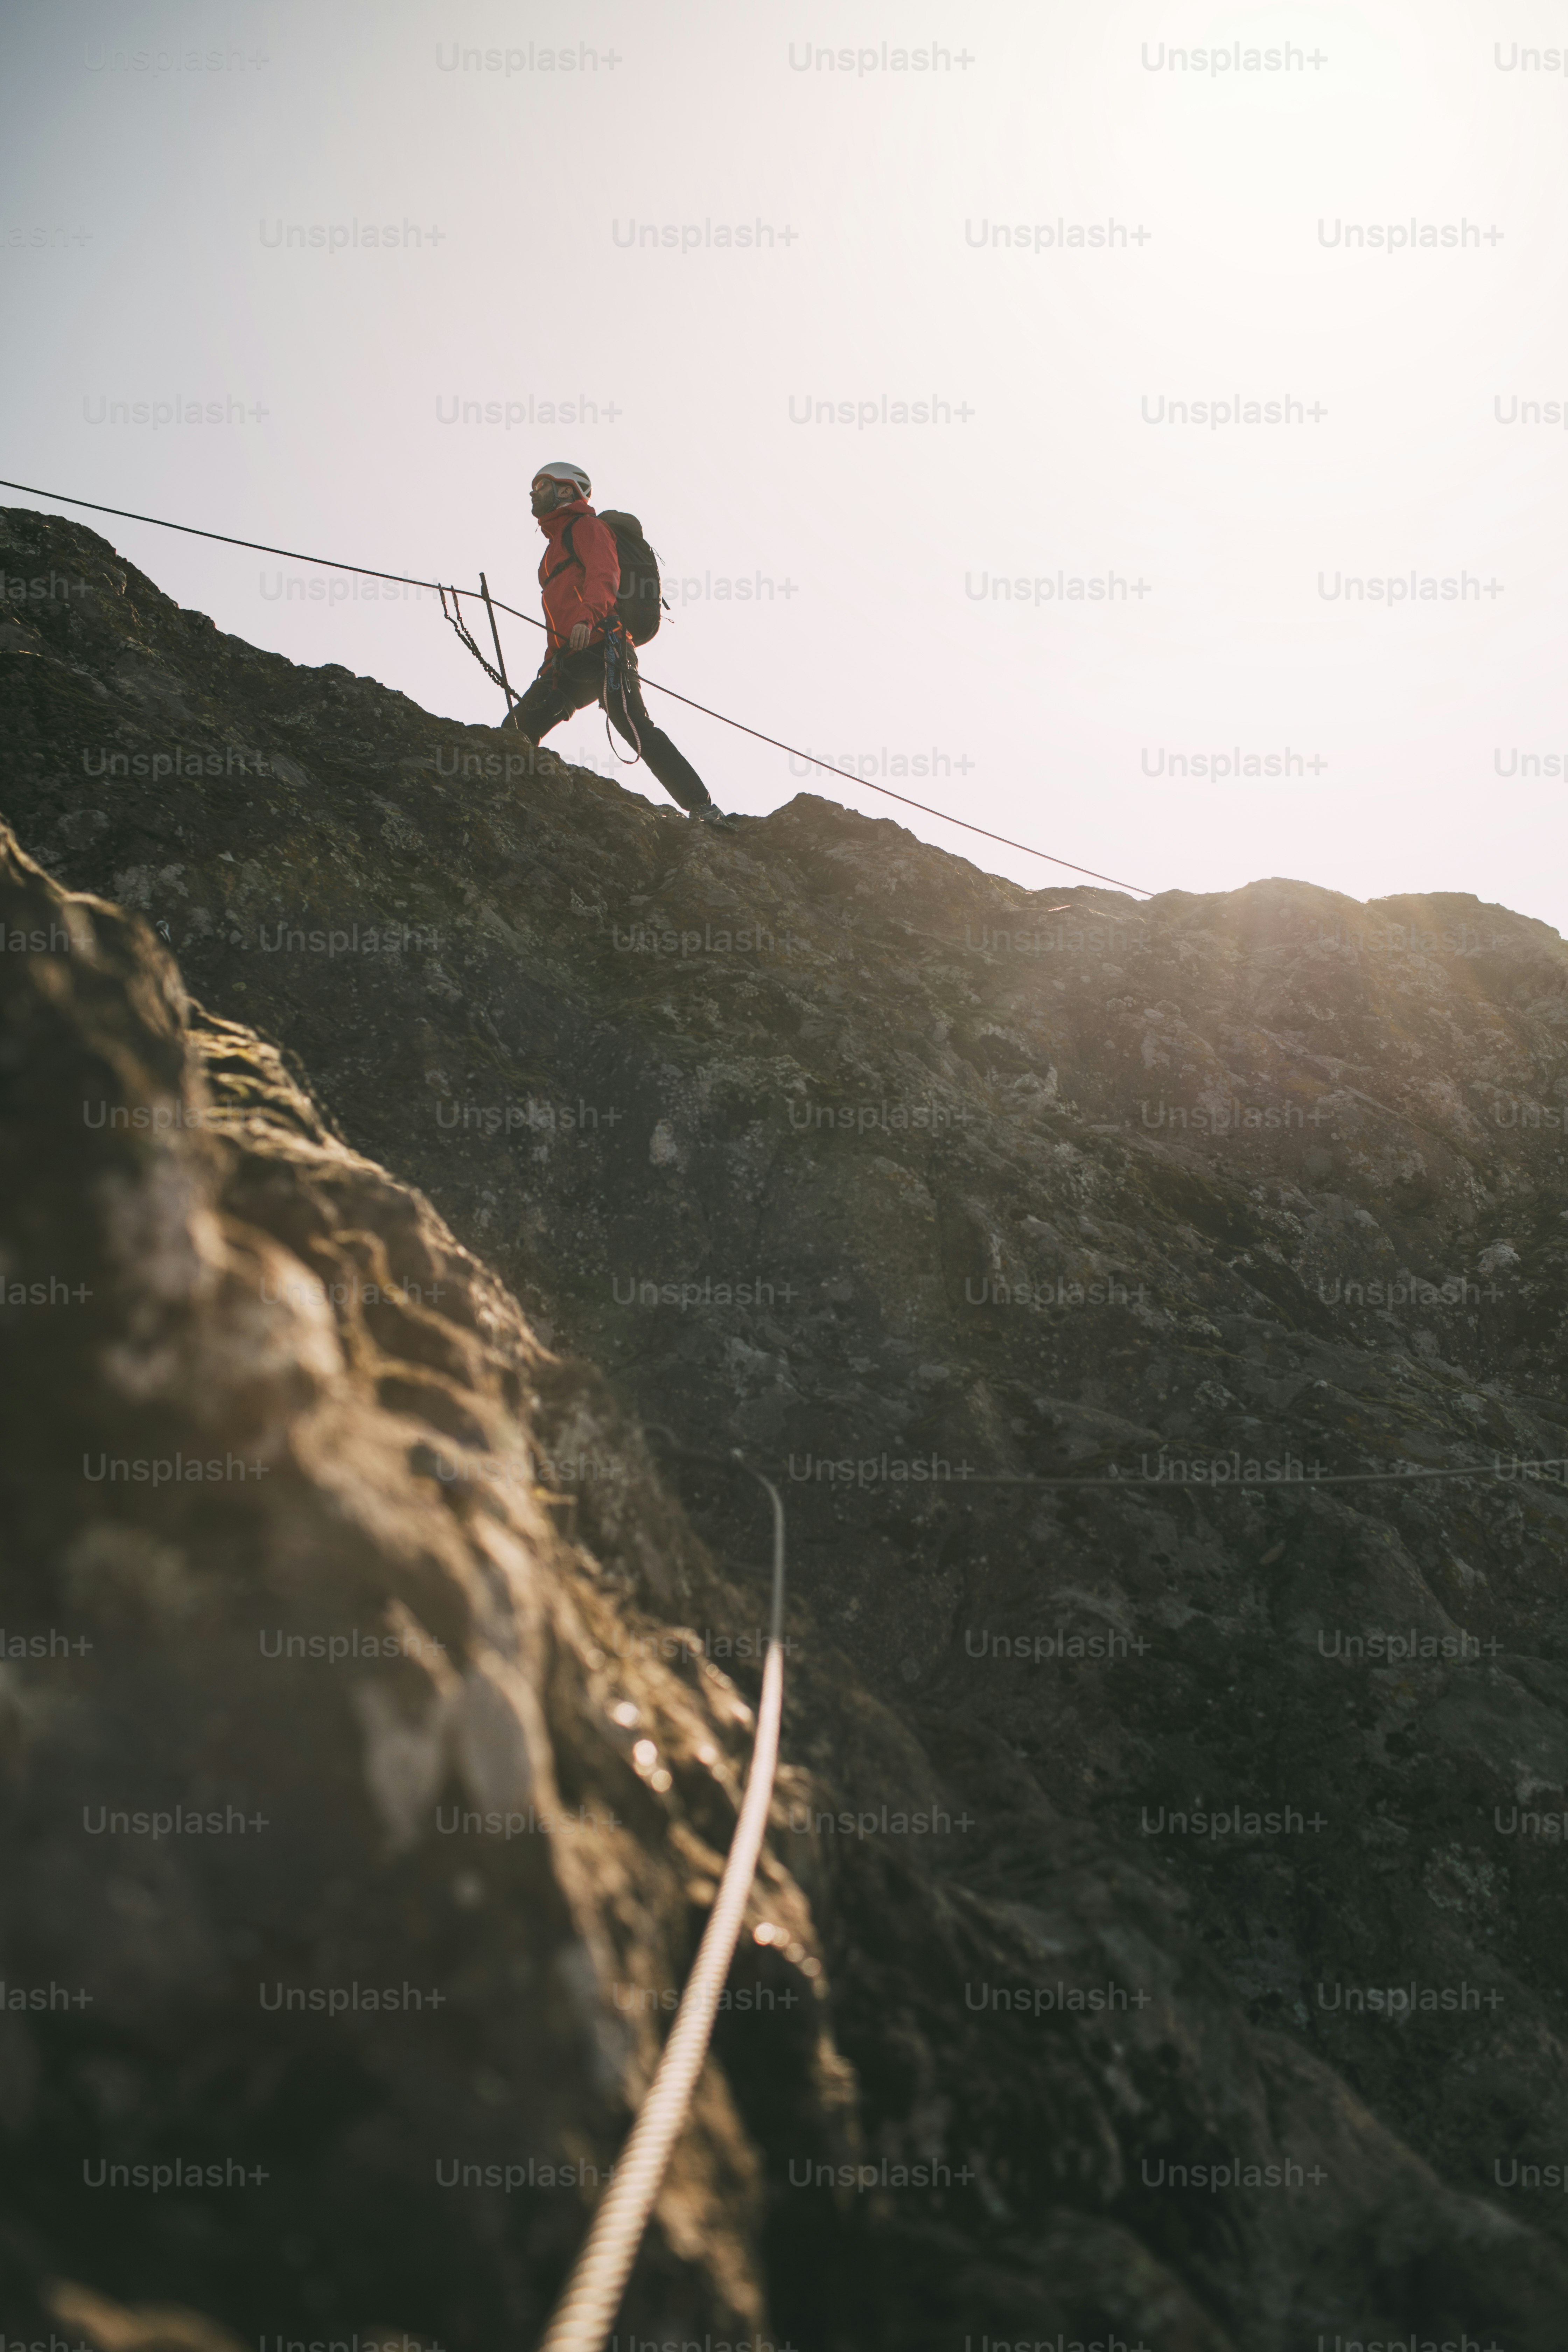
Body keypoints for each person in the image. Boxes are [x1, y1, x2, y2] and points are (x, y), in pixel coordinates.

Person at [505, 461, 730, 826]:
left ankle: (702, 805)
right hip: (568, 658)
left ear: (566, 491)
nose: (534, 493)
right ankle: (506, 800)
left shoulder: (587, 527)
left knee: (631, 722)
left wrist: (587, 617)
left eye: (542, 485)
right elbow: (554, 615)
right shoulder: (550, 555)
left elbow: (604, 573)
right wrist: (550, 663)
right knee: (516, 730)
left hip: (604, 644)